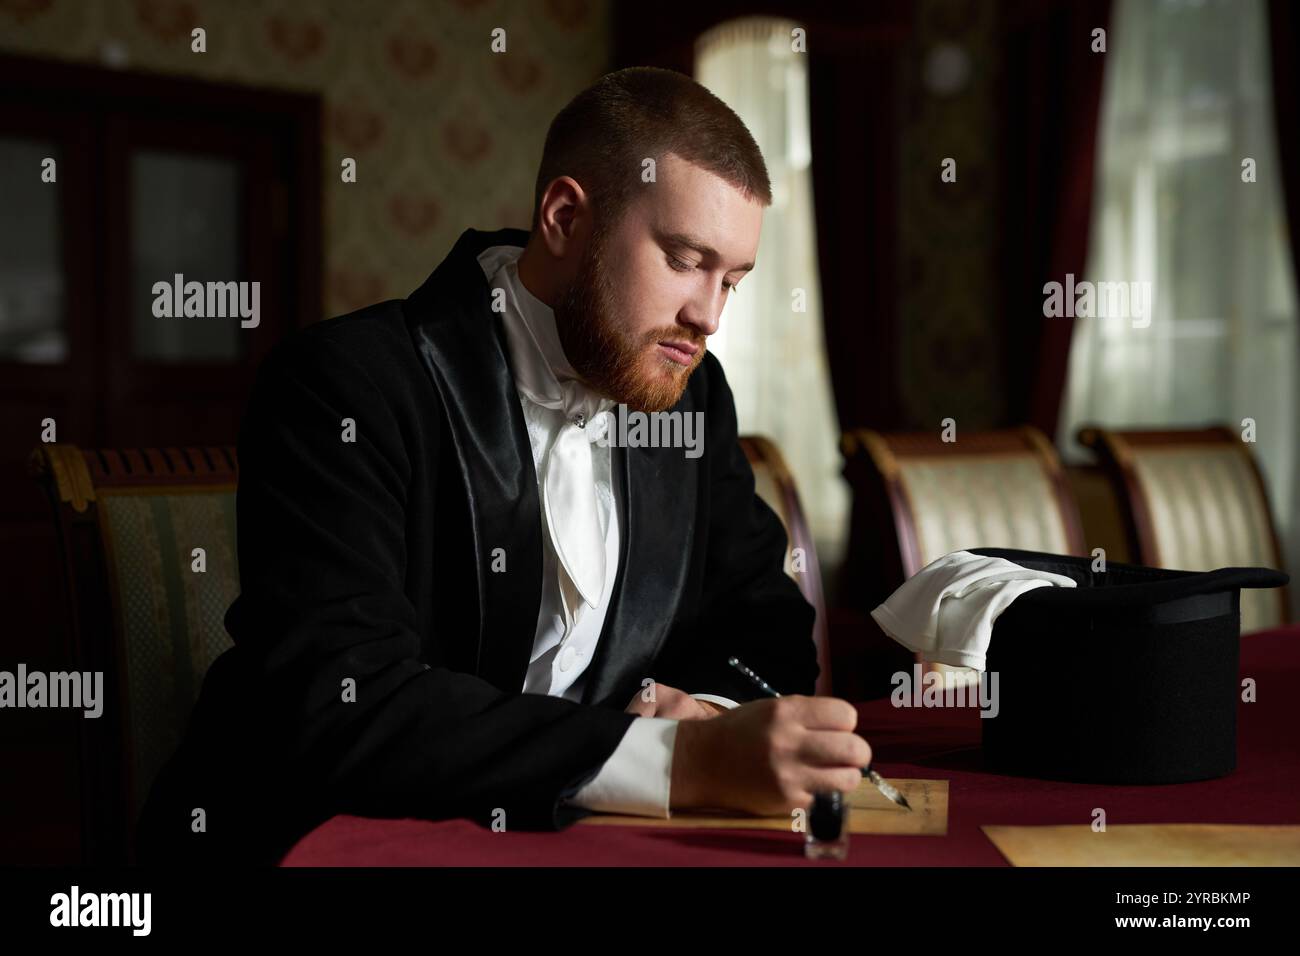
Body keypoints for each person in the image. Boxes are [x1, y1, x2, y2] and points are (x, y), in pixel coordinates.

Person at [136, 66, 871, 865]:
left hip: (568, 845)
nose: (710, 315)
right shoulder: (343, 385)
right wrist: (670, 761)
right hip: (312, 841)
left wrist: (708, 713)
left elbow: (766, 629)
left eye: (732, 279)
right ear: (564, 217)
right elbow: (346, 703)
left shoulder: (692, 399)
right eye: (685, 259)